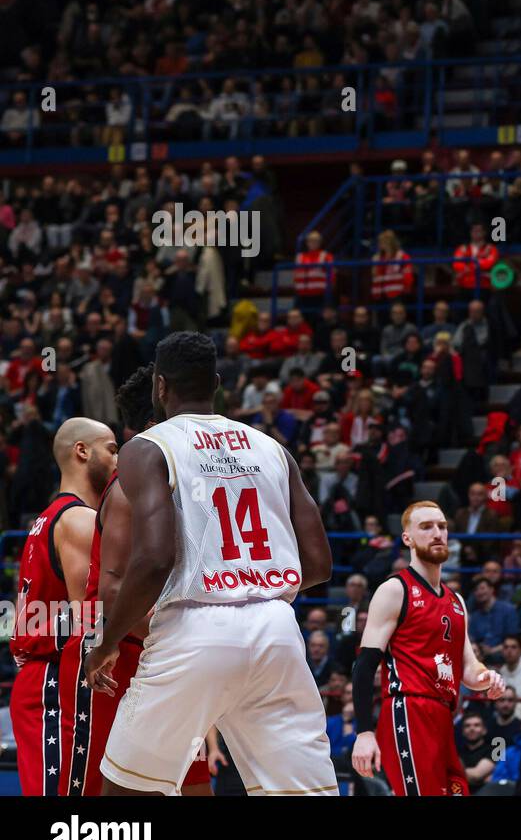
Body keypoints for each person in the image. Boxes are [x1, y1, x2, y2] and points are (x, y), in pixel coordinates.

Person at [84, 332, 338, 796]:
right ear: (217, 383)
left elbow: (155, 558)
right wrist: (255, 579)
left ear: (160, 387)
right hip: (278, 631)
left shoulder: (148, 447)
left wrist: (107, 642)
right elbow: (319, 564)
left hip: (194, 628)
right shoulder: (271, 448)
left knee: (127, 790)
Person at [58, 367, 212, 797]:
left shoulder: (173, 480)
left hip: (165, 650)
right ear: (156, 423)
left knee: (191, 782)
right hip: (123, 655)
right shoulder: (132, 479)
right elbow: (111, 590)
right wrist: (187, 640)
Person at [350, 501, 506, 795]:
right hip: (408, 709)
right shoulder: (395, 589)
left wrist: (489, 678)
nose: (437, 533)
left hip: (444, 715)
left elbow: (470, 670)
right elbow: (364, 665)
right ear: (407, 538)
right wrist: (364, 732)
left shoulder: (457, 601)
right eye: (426, 527)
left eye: (442, 526)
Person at [9, 416, 117, 795]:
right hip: (57, 683)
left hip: (38, 680)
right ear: (82, 451)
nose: (118, 460)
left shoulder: (45, 519)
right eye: (112, 448)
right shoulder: (81, 519)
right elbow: (89, 617)